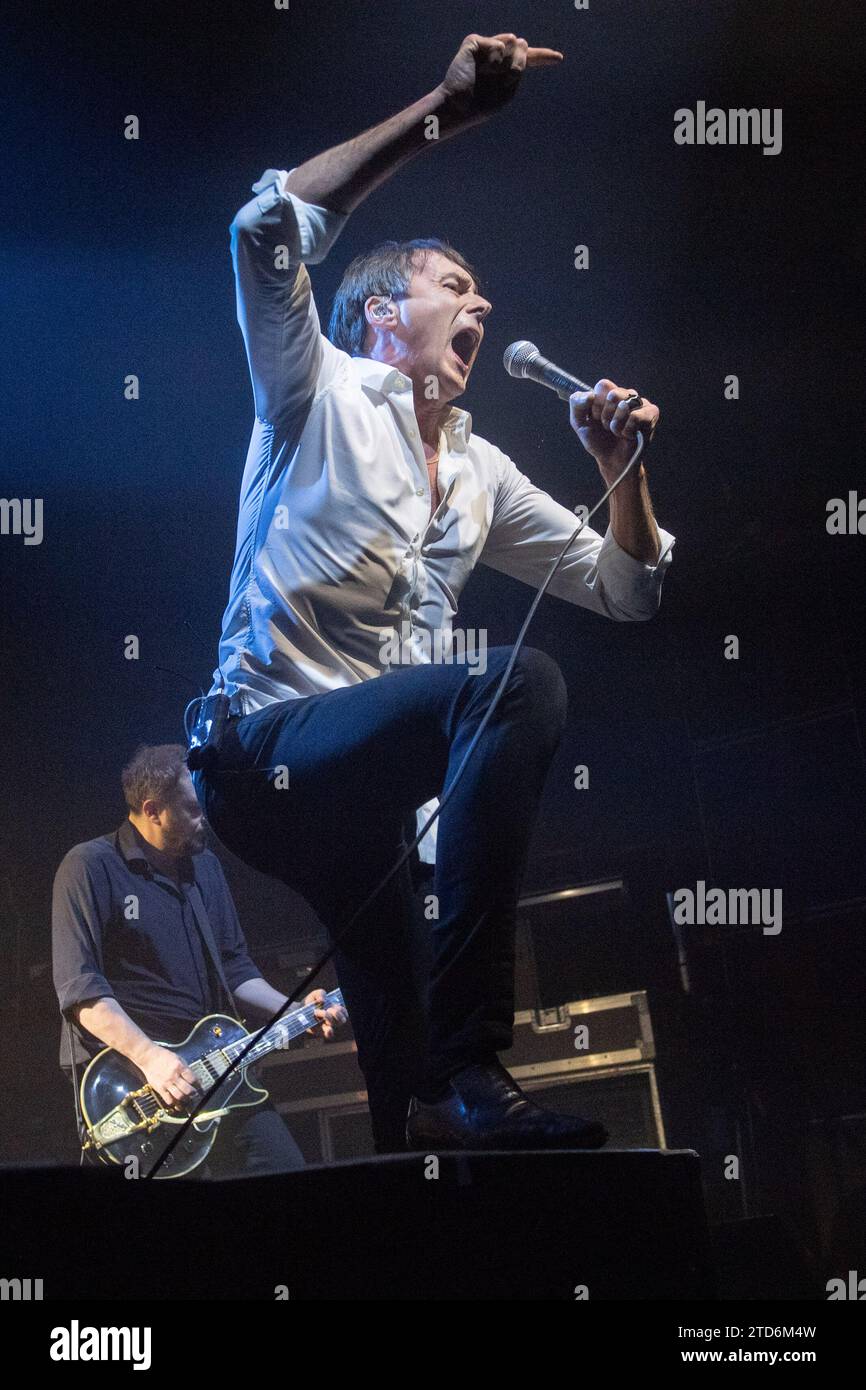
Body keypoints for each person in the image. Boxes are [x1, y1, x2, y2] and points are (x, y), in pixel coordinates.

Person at [192, 33, 675, 1154]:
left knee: (401, 1103)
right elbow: (261, 228)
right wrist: (443, 114)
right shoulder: (313, 384)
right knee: (510, 687)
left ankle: (428, 1109)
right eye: (454, 286)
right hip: (260, 754)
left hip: (363, 803)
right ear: (377, 315)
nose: (482, 304)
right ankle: (472, 1054)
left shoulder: (479, 469)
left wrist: (622, 477)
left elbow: (627, 588)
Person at [51, 743, 345, 1176]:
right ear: (152, 810)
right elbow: (81, 991)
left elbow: (236, 967)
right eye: (190, 809)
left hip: (218, 1064)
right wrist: (151, 1058)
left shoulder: (204, 868)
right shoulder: (90, 866)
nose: (202, 817)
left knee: (286, 1176)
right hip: (137, 1082)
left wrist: (294, 1009)